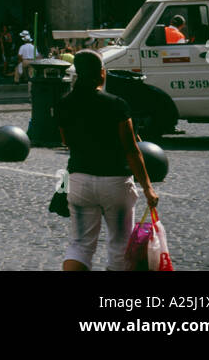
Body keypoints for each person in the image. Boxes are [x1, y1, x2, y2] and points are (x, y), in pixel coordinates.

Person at [57, 50, 159, 271]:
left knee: (79, 245)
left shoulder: (63, 103)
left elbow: (67, 141)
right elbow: (132, 150)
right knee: (121, 245)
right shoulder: (116, 104)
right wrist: (148, 188)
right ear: (102, 74)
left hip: (79, 179)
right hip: (115, 181)